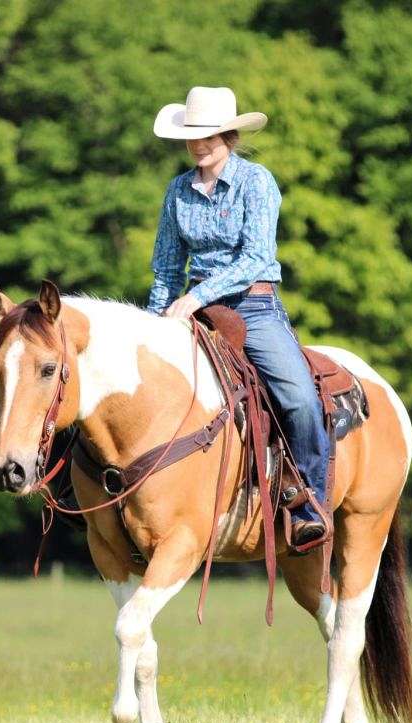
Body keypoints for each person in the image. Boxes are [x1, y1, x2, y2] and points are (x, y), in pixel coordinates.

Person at [149, 86, 330, 548]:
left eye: (208, 134)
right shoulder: (177, 191)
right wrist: (153, 324)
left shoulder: (257, 181)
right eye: (193, 135)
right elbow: (167, 268)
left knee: (299, 397)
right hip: (195, 308)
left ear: (229, 135)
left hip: (254, 305)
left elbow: (255, 257)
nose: (199, 143)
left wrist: (197, 295)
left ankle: (310, 504)